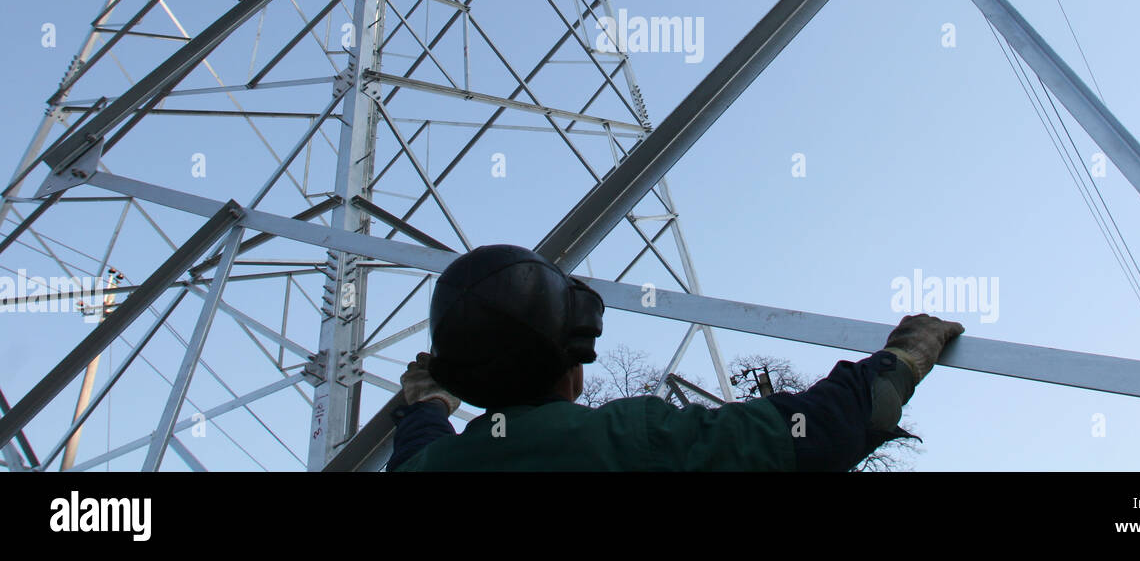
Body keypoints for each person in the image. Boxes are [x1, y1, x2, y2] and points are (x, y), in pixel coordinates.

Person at [388, 245, 964, 471]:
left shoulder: (433, 465)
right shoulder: (627, 440)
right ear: (575, 355)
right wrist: (902, 358)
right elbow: (814, 433)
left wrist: (428, 407)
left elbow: (416, 452)